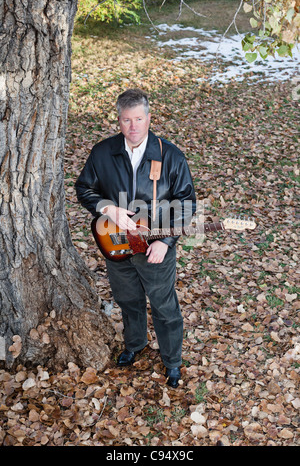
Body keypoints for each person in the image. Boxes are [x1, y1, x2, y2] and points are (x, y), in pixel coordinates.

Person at [75, 88, 196, 388]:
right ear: (119, 120)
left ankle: (172, 362)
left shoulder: (170, 156)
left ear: (149, 118)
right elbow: (84, 188)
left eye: (139, 119)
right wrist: (107, 208)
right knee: (128, 300)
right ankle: (135, 344)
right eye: (126, 120)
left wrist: (164, 241)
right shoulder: (103, 153)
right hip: (116, 243)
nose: (133, 127)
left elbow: (186, 202)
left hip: (154, 246)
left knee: (163, 305)